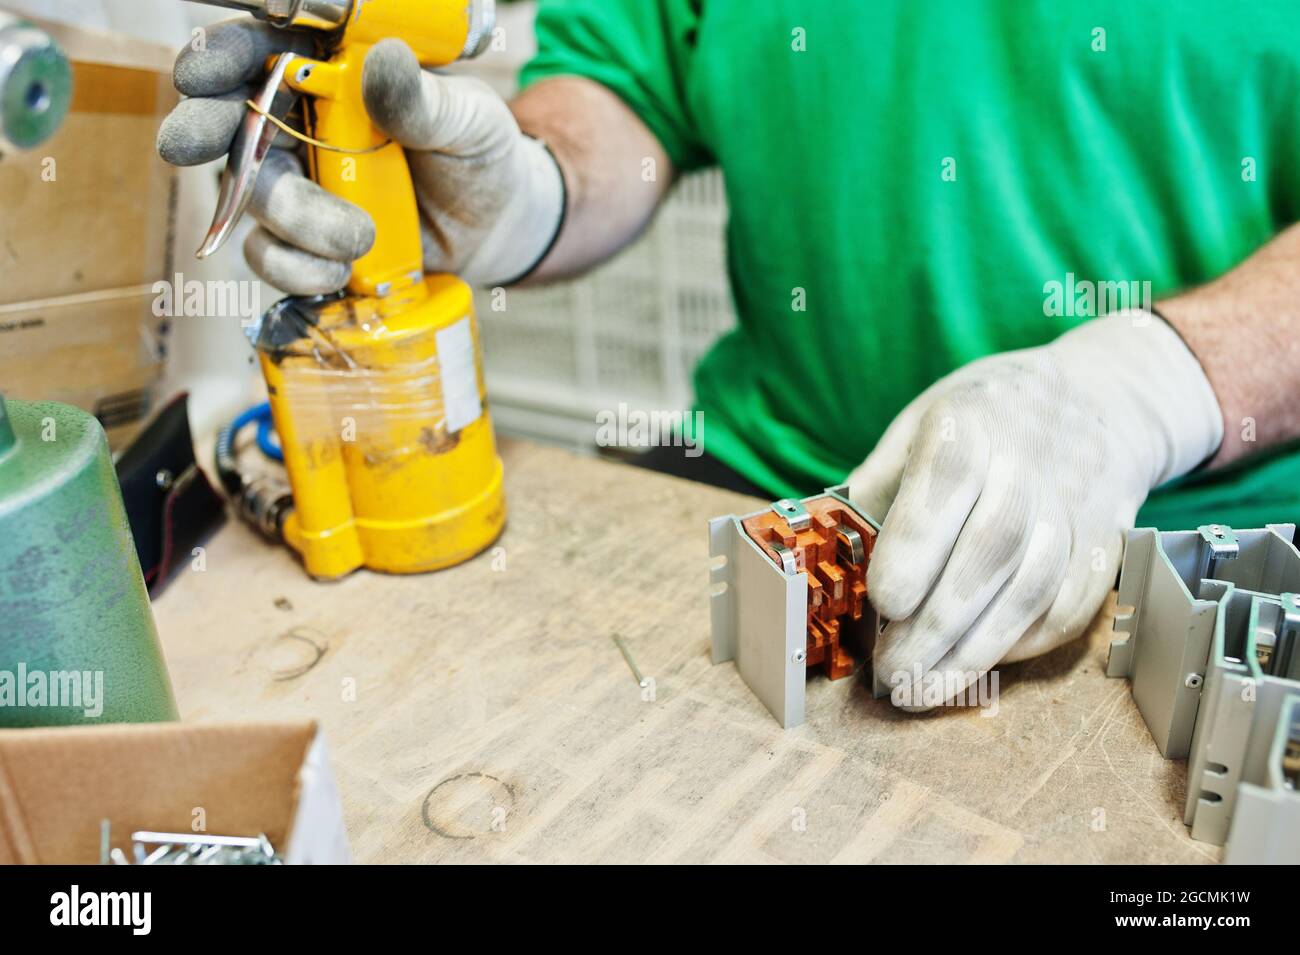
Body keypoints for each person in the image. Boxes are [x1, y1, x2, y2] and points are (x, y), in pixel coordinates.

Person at [157, 2, 1300, 706]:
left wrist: (1138, 392)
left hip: (1202, 535)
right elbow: (627, 85)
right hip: (771, 468)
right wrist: (525, 192)